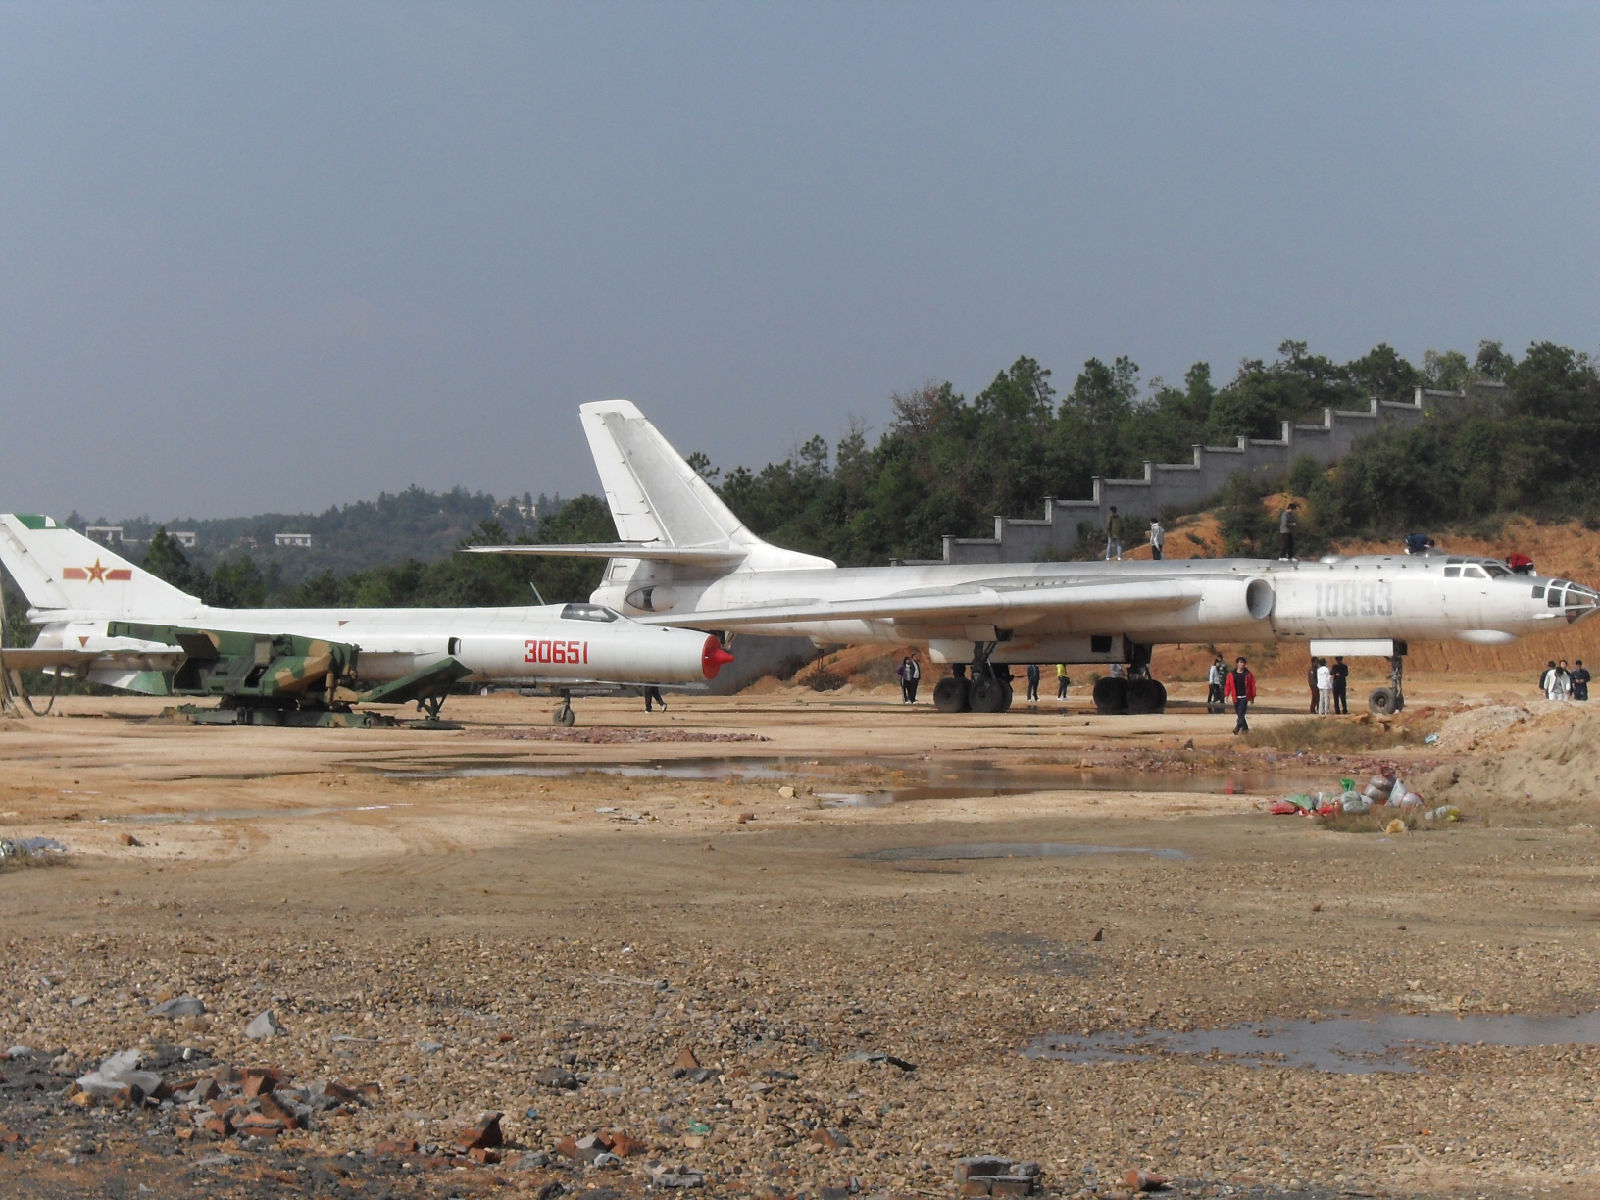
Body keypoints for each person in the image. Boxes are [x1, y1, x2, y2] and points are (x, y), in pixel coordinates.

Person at [1224, 656, 1256, 734]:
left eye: (1243, 663)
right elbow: (1228, 685)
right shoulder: (1231, 675)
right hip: (1235, 697)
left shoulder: (1248, 675)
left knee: (1241, 713)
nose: (1242, 664)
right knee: (1240, 714)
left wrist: (1252, 697)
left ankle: (1237, 727)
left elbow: (1252, 686)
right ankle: (1246, 730)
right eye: (1240, 662)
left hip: (1244, 697)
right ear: (1237, 664)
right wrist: (1226, 695)